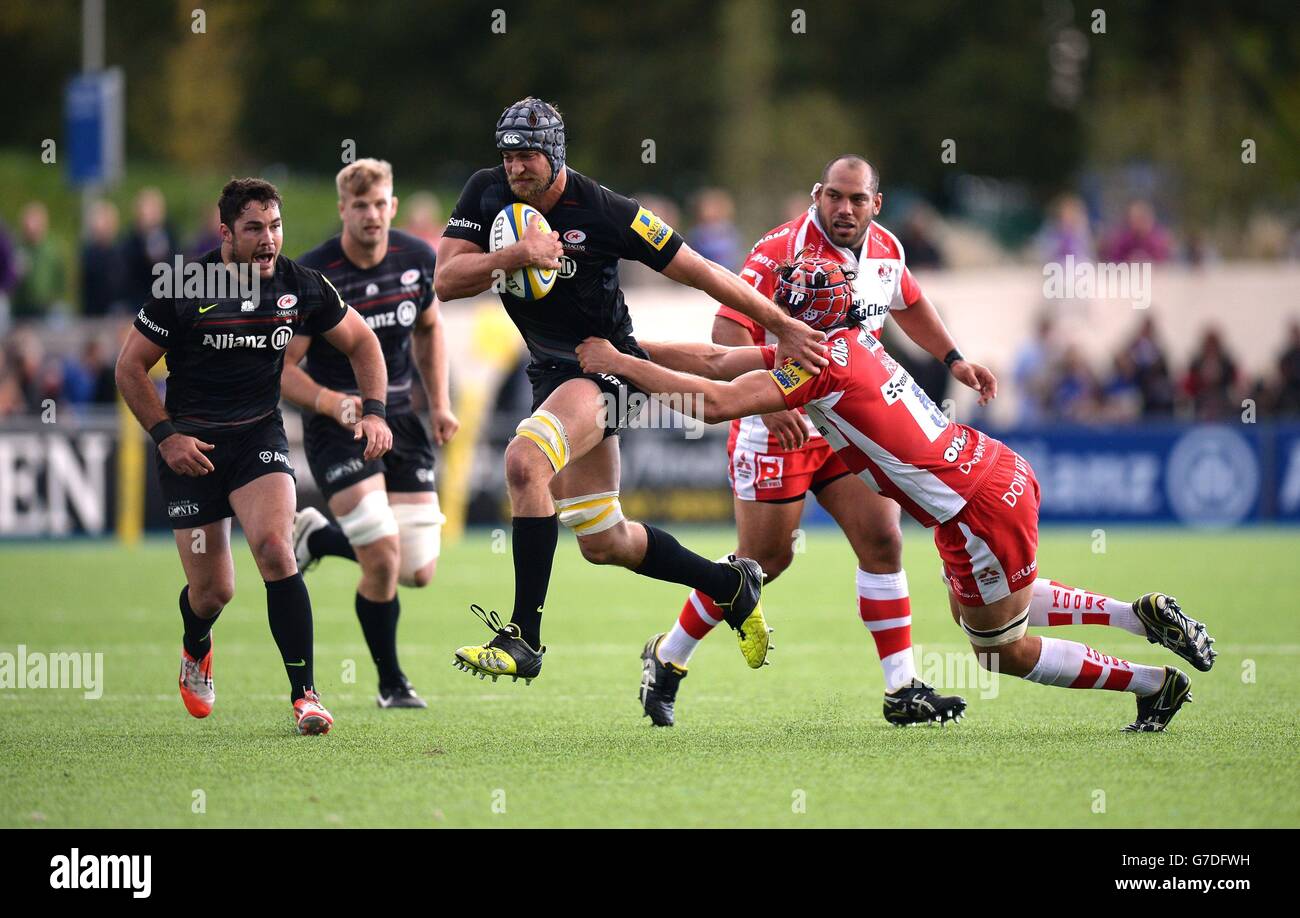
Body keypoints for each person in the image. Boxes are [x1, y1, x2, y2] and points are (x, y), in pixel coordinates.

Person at [577, 254, 1217, 732]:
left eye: (788, 307)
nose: (781, 314)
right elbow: (719, 363)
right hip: (993, 472)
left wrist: (620, 362)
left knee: (1000, 651)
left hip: (973, 509)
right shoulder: (850, 337)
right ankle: (1138, 616)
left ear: (808, 314)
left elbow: (716, 401)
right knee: (988, 612)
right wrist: (631, 346)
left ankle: (1151, 684)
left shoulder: (813, 363)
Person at [435, 97, 827, 684]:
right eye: (510, 156)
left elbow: (703, 272)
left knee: (523, 461)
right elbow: (446, 280)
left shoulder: (605, 211)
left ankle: (524, 638)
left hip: (605, 368)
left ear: (556, 154)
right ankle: (729, 583)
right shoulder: (485, 192)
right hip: (550, 371)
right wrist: (516, 254)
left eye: (529, 157)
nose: (517, 167)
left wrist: (782, 324)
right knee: (604, 541)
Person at [641, 154, 995, 727]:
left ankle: (901, 687)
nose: (845, 208)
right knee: (764, 562)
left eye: (857, 199)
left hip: (849, 423)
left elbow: (911, 301)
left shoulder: (887, 249)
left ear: (876, 205)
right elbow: (725, 331)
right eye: (834, 196)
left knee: (883, 540)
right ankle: (667, 657)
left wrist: (953, 359)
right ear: (817, 195)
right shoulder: (779, 249)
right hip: (778, 421)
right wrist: (777, 403)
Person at [114, 178, 392, 735]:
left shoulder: (301, 286)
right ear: (225, 233)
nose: (269, 240)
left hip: (259, 439)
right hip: (191, 447)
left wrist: (376, 411)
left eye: (276, 226)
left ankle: (306, 696)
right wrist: (167, 436)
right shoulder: (186, 286)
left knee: (274, 548)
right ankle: (196, 645)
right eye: (254, 229)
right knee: (214, 591)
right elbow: (129, 368)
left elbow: (363, 342)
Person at [285, 159, 458, 709]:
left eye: (380, 204)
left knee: (418, 570)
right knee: (381, 556)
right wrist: (332, 402)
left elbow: (430, 330)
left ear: (393, 206)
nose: (372, 215)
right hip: (340, 425)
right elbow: (283, 368)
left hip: (403, 417)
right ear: (343, 209)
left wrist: (442, 404)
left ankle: (318, 538)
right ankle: (392, 683)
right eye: (360, 206)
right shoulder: (314, 274)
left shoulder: (417, 258)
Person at [12, 202, 67, 320]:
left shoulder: (52, 248)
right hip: (20, 305)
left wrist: (55, 298)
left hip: (45, 306)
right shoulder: (16, 247)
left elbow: (60, 277)